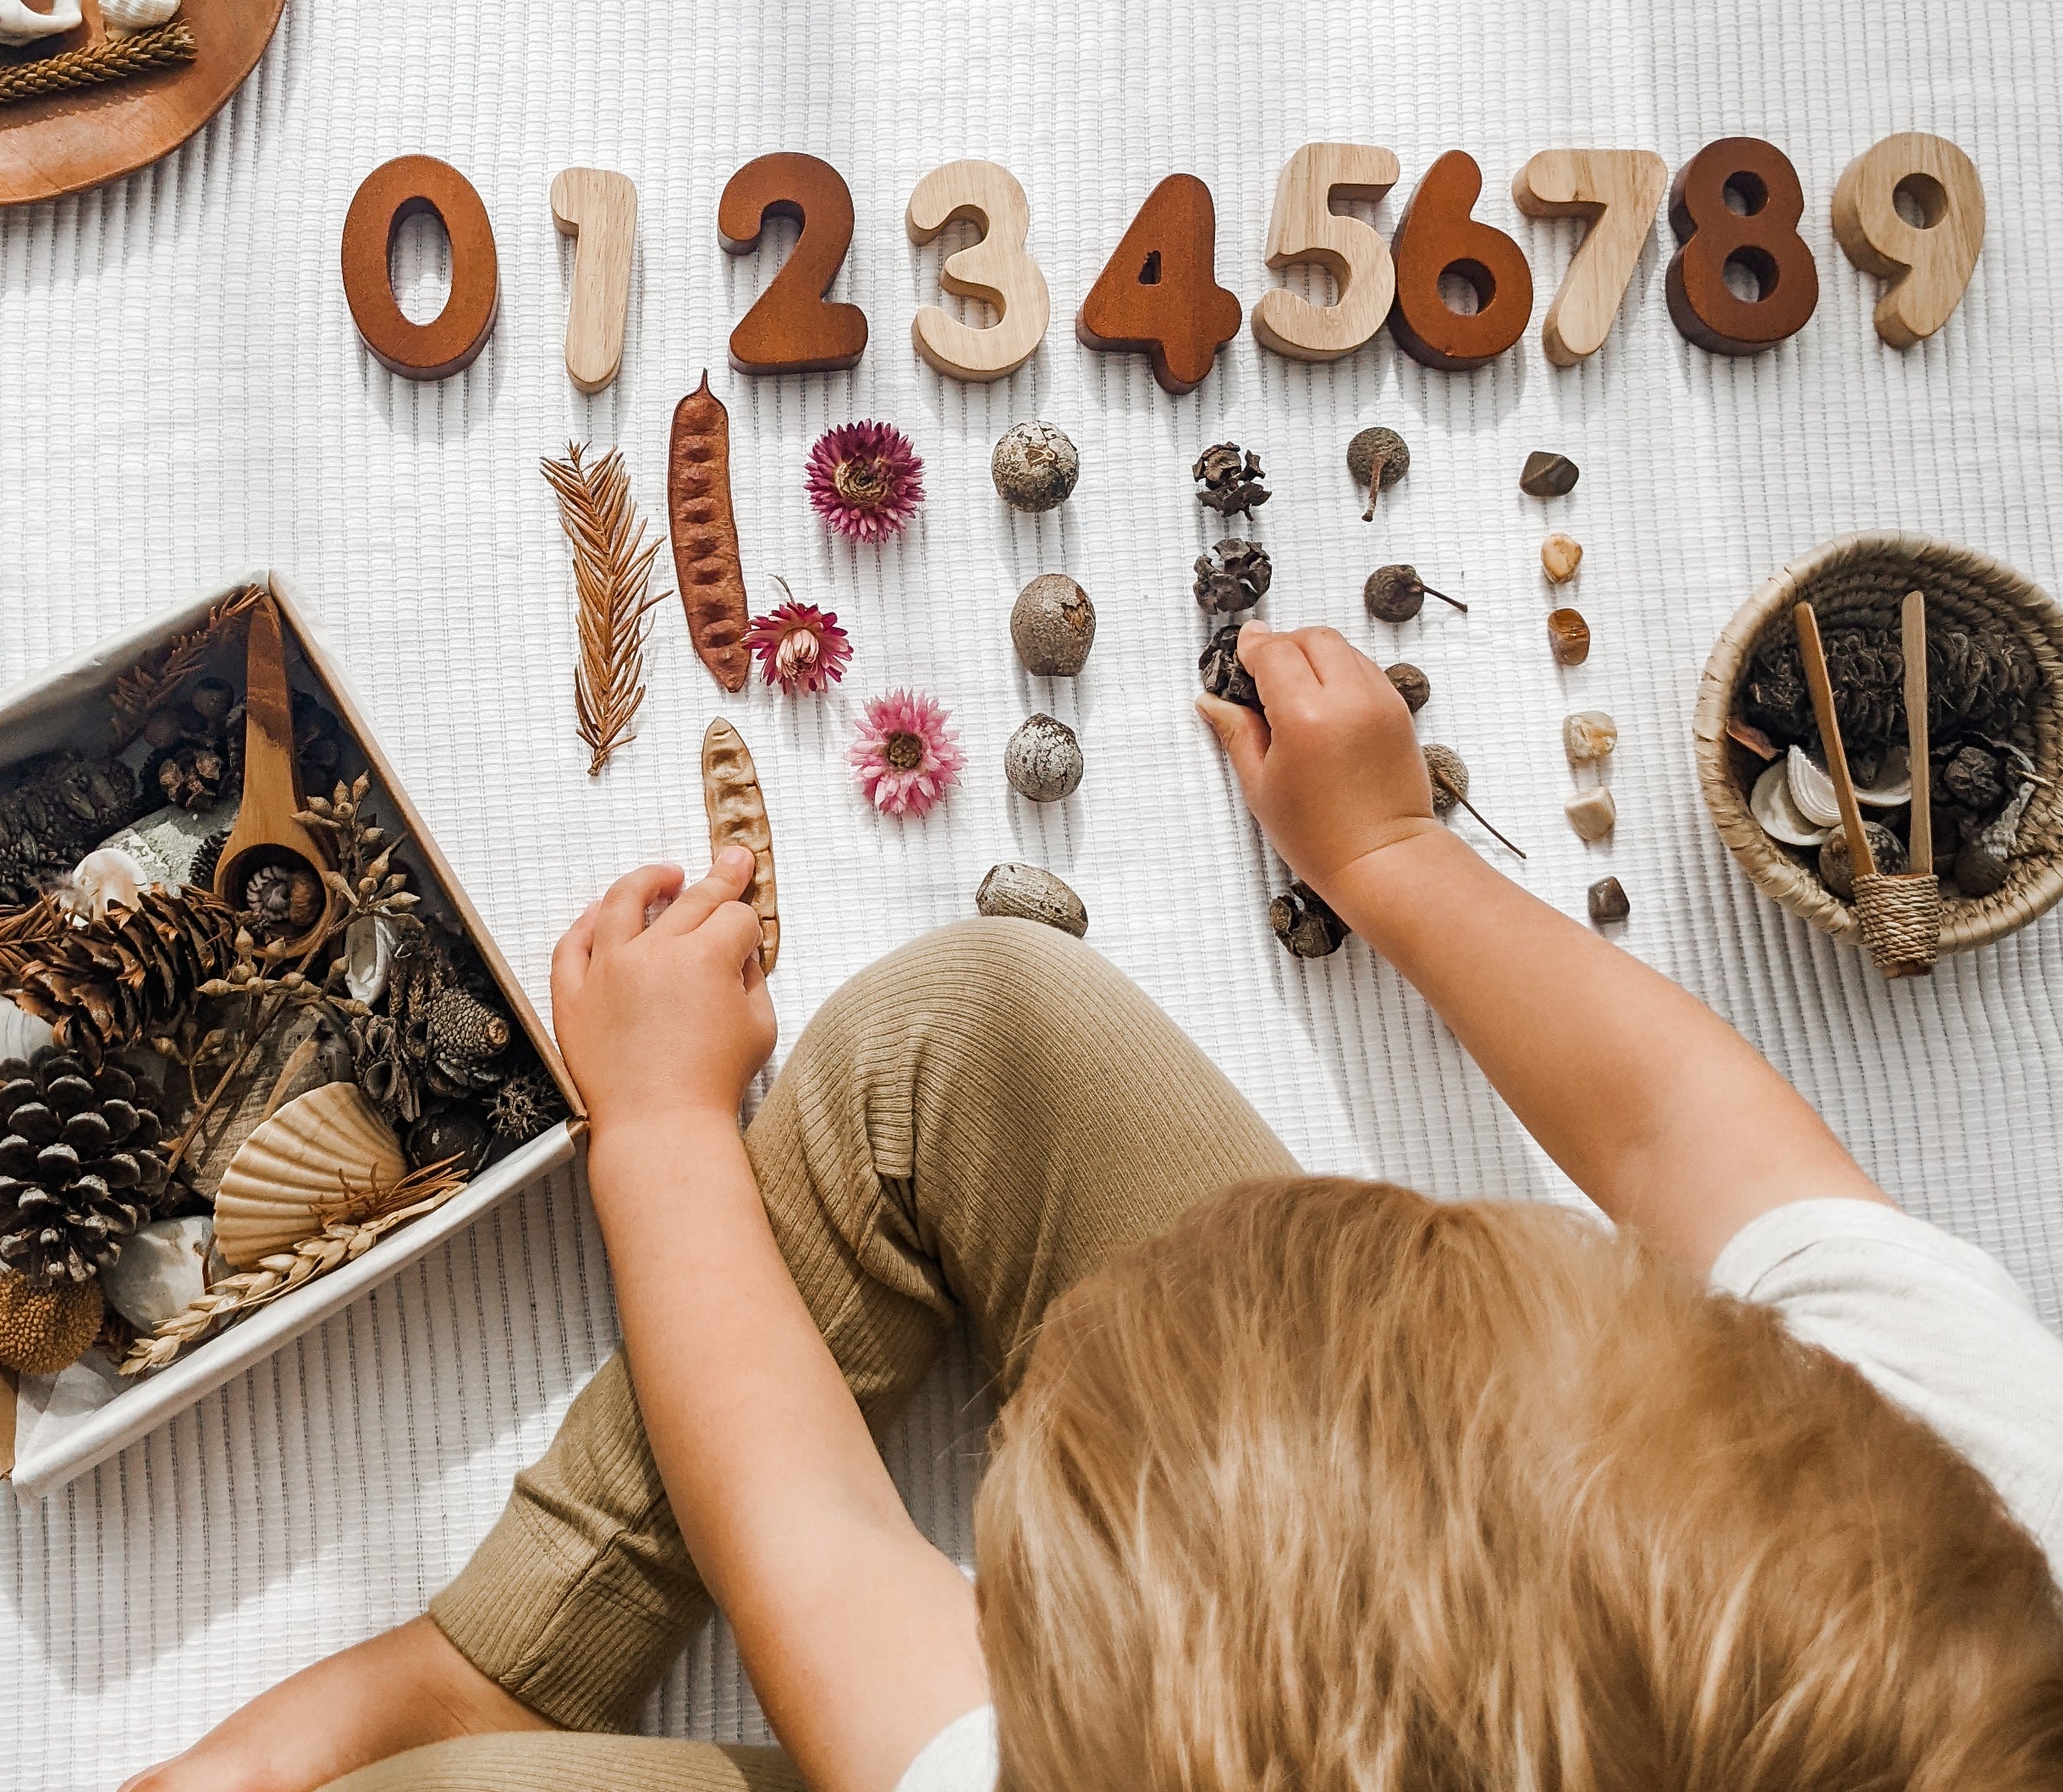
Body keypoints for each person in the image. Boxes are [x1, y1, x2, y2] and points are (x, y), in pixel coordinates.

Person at [124, 622, 2063, 1792]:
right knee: (973, 1026)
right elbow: (1679, 1127)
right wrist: (1391, 851)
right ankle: (524, 1646)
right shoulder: (1963, 1473)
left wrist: (656, 1133)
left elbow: (811, 1537)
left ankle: (490, 1678)